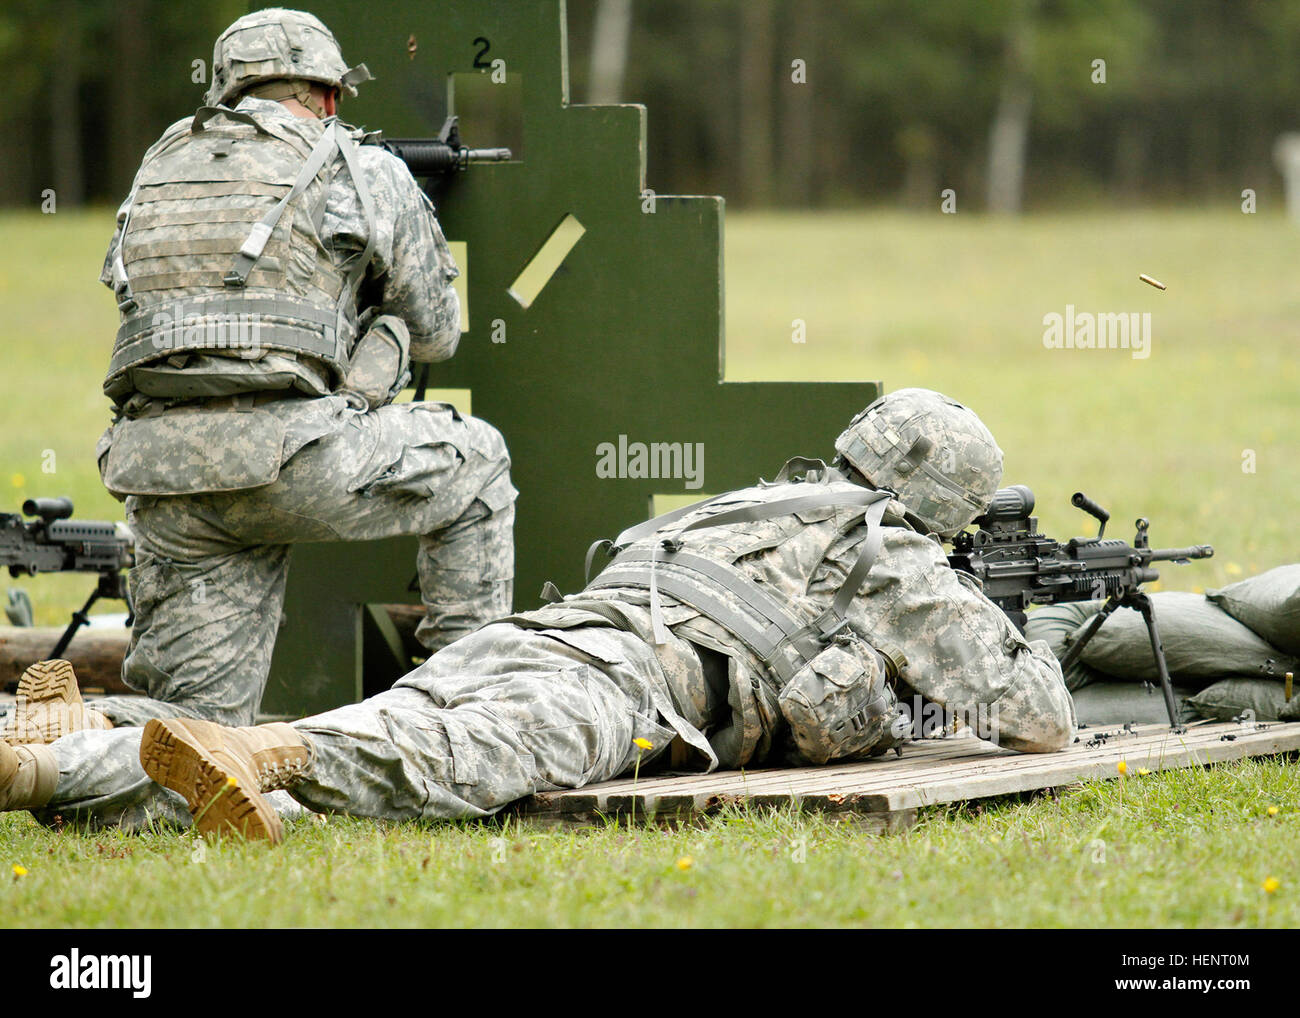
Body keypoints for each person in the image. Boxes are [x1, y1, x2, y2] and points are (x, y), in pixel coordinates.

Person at [0, 389, 1076, 839]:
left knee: (371, 747)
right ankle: (243, 750)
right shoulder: (885, 548)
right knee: (424, 760)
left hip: (534, 635)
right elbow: (1039, 717)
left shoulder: (761, 499)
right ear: (941, 508)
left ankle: (57, 750)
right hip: (622, 686)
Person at [3, 10, 516, 747]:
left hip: (164, 477)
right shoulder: (359, 166)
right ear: (329, 95)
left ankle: (49, 749)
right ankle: (470, 724)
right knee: (480, 463)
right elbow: (435, 331)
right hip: (296, 462)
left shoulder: (158, 167)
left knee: (189, 739)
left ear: (227, 90)